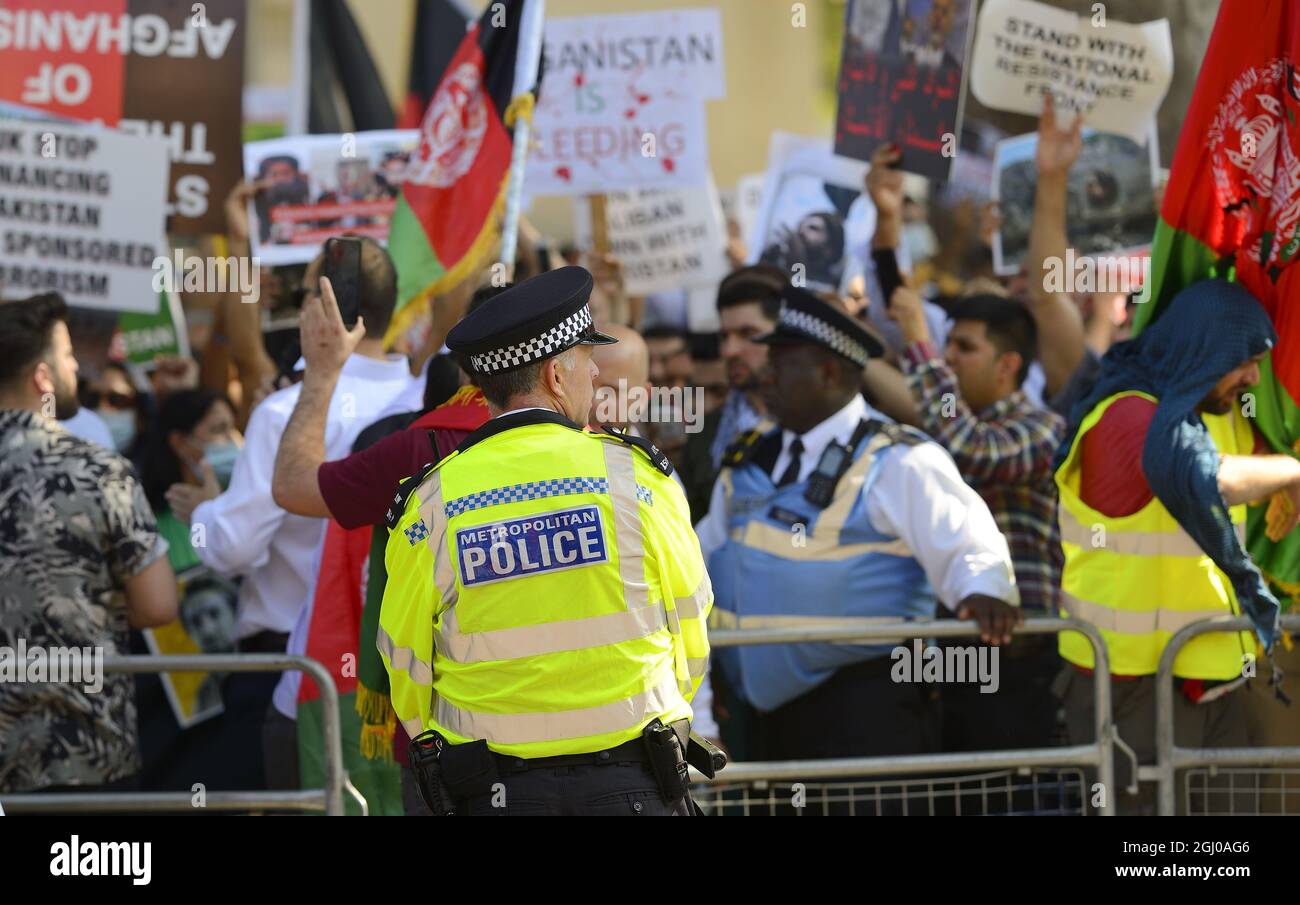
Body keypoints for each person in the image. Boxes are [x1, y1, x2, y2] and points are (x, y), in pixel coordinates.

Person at [380, 266, 712, 816]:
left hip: (495, 792)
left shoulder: (432, 502)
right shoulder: (638, 480)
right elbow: (692, 622)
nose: (598, 373)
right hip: (633, 782)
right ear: (557, 375)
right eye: (588, 359)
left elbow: (404, 660)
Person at [694, 286, 1020, 775]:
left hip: (865, 713)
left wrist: (985, 588)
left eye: (783, 362)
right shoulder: (750, 454)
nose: (767, 372)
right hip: (759, 717)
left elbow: (967, 538)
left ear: (828, 372)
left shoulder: (898, 458)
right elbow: (695, 563)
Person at [174, 238, 417, 790]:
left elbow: (233, 547)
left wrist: (207, 511)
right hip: (402, 667)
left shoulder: (285, 412)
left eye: (302, 293)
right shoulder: (428, 399)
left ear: (322, 305)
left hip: (293, 668)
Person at [1054, 278, 1299, 814]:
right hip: (1128, 694)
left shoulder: (1218, 417)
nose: (1253, 377)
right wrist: (1291, 473)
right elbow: (1206, 477)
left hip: (1214, 684)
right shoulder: (1125, 415)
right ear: (1204, 350)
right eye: (1245, 360)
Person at [0, 293, 177, 795]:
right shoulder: (99, 470)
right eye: (67, 356)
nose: (77, 366)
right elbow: (159, 604)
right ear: (42, 377)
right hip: (87, 756)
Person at [679, 265, 783, 521]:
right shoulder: (705, 436)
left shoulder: (816, 423)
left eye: (748, 334)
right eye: (725, 336)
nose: (729, 350)